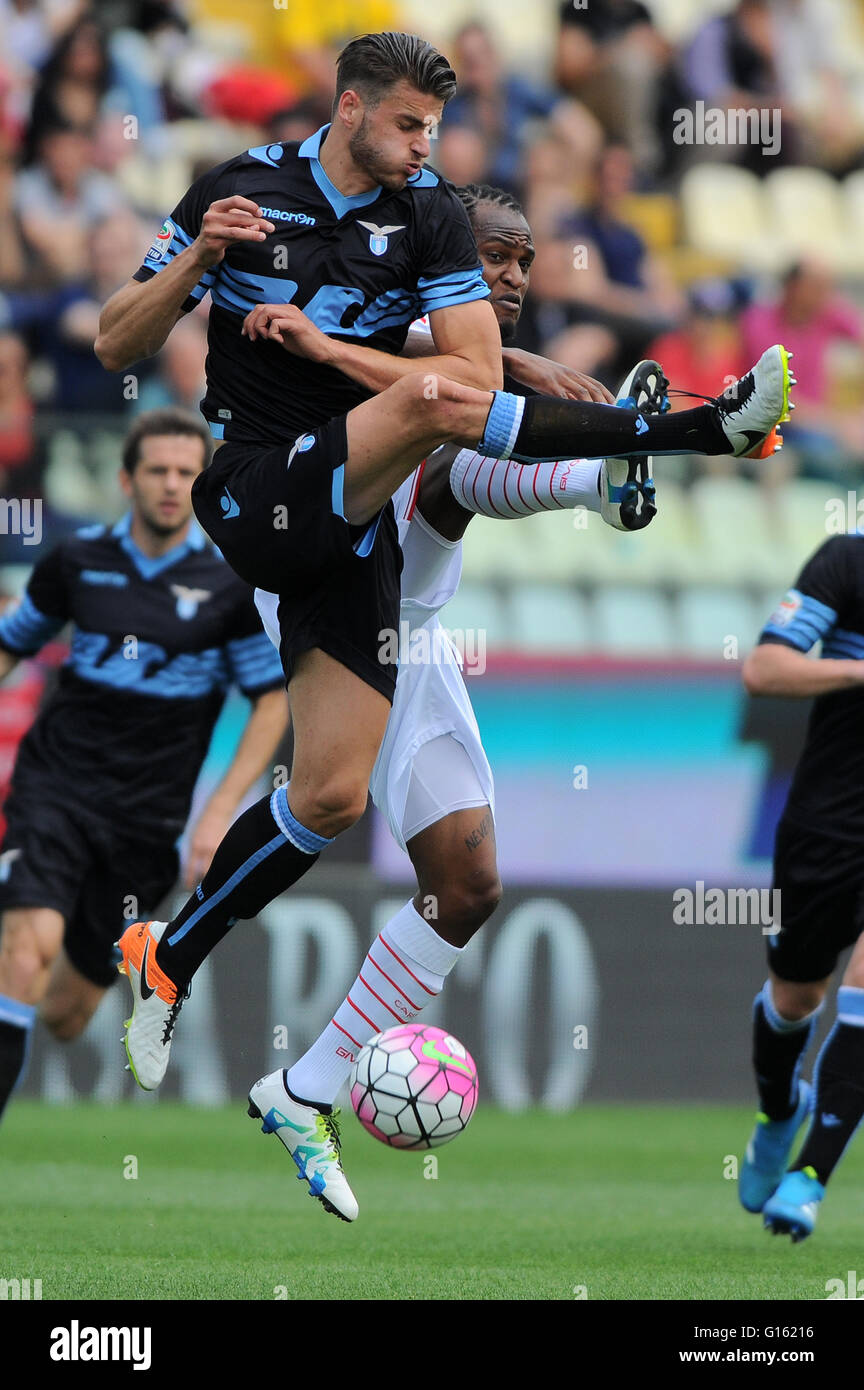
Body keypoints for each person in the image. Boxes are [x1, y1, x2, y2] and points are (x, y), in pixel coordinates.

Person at [94, 30, 791, 1149]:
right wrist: (192, 266)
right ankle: (694, 429)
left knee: (327, 795)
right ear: (351, 104)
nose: (426, 149)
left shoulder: (425, 214)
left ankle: (165, 958)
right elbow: (111, 338)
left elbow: (467, 370)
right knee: (434, 422)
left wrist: (346, 352)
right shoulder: (238, 190)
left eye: (435, 130)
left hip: (353, 529)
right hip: (256, 489)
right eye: (410, 126)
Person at [248, 182, 665, 1221]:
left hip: (415, 630)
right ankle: (591, 487)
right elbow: (438, 377)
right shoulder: (356, 322)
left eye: (524, 262)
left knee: (469, 881)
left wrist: (541, 384)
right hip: (335, 606)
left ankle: (306, 1086)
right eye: (494, 257)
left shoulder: (470, 362)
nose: (514, 278)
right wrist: (552, 396)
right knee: (449, 447)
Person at [0, 408, 288, 1123]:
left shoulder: (229, 588)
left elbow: (273, 702)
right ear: (126, 479)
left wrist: (219, 811)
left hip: (147, 820)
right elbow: (12, 644)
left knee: (65, 1016)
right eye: (156, 470)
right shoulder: (75, 562)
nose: (170, 484)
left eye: (186, 473)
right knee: (25, 953)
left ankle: (126, 946)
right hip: (56, 789)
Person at [737, 536, 864, 1239]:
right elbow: (764, 668)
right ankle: (781, 1108)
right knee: (794, 1000)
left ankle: (809, 1176)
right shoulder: (847, 562)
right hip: (827, 822)